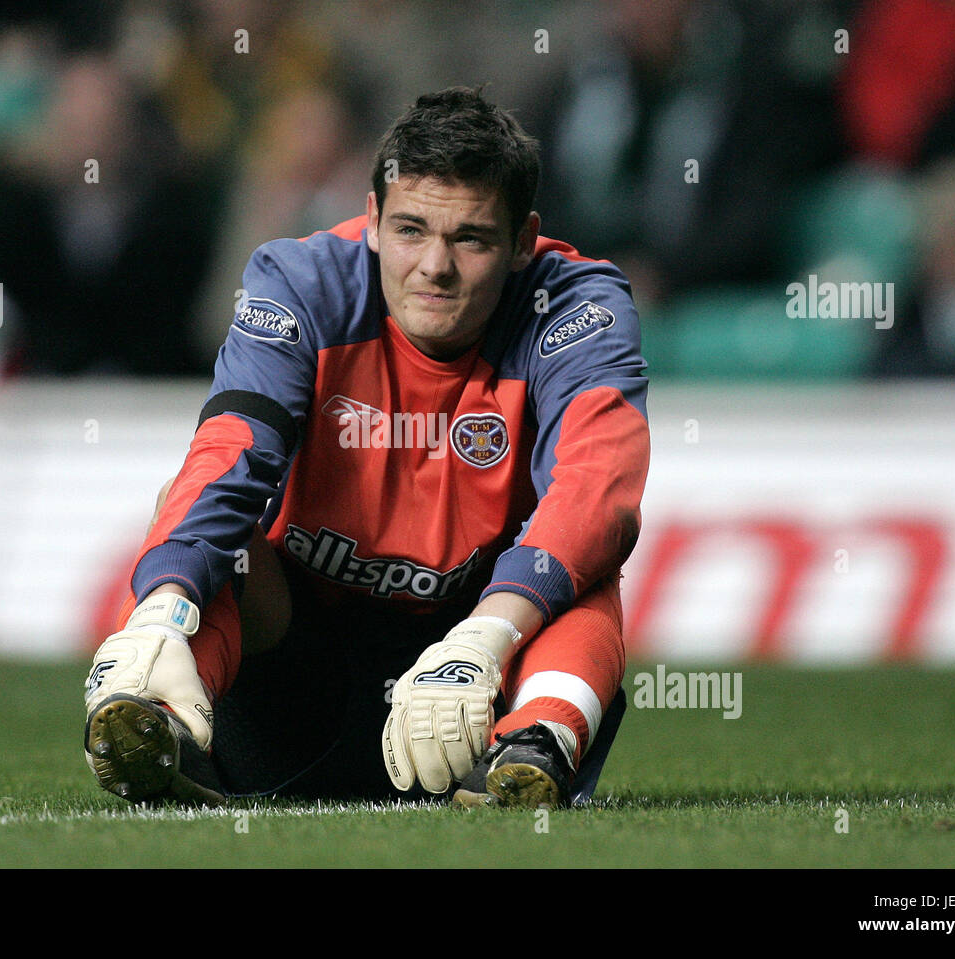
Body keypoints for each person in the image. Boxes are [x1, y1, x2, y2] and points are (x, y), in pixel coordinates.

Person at [83, 86, 650, 809]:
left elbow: (597, 484)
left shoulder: (577, 307)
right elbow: (235, 446)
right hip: (295, 669)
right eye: (412, 229)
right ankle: (161, 727)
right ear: (374, 220)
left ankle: (536, 747)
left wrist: (485, 635)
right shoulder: (299, 282)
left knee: (585, 557)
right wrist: (163, 605)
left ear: (521, 242)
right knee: (198, 519)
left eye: (470, 238)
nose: (434, 267)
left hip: (478, 675)